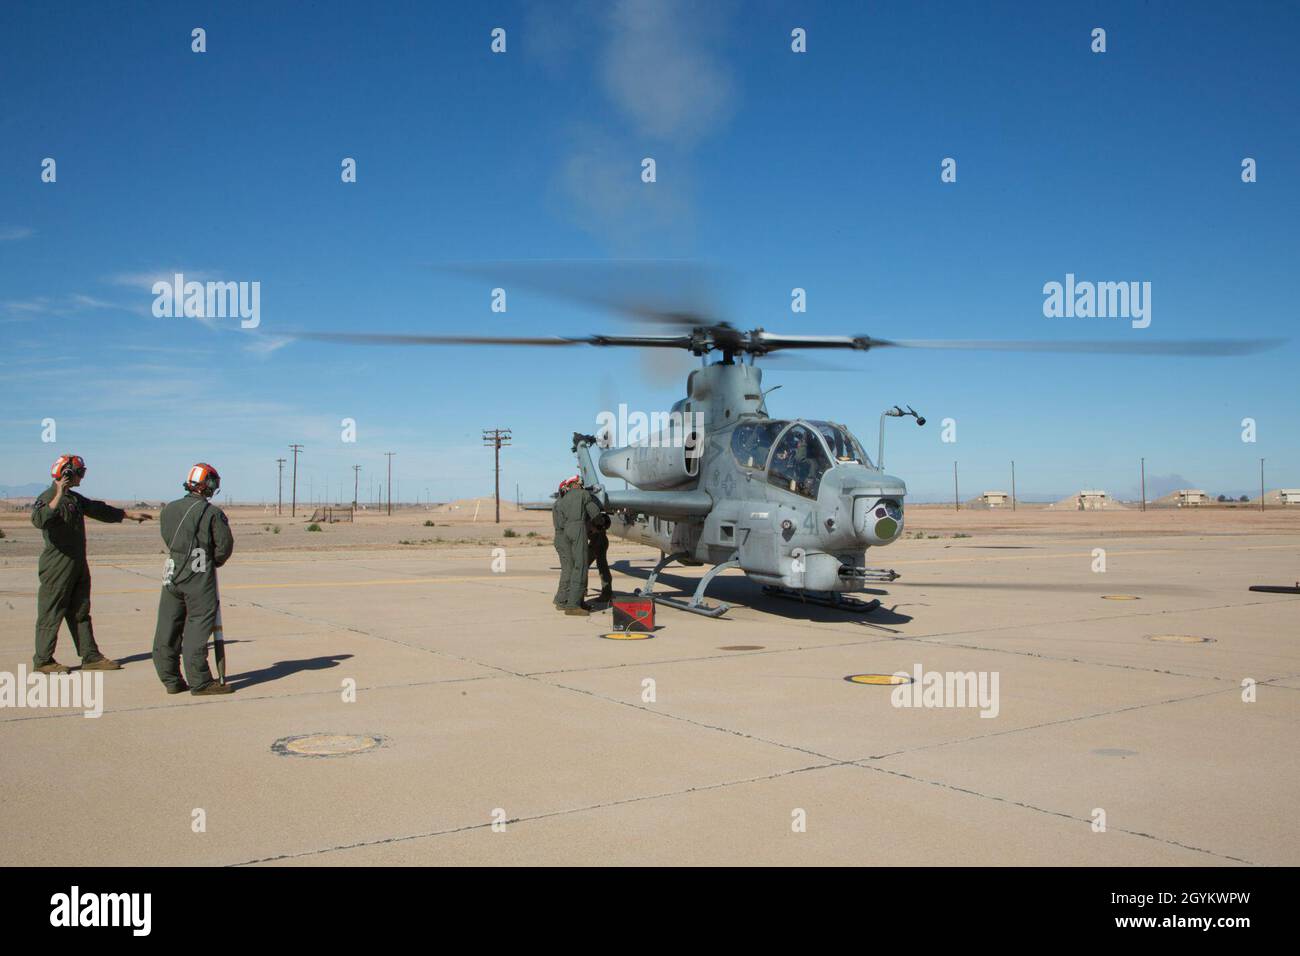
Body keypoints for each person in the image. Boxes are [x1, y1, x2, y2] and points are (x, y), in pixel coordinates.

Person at [30, 454, 152, 673]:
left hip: (77, 564)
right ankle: (43, 660)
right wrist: (58, 491)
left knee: (80, 611)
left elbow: (98, 509)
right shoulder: (48, 496)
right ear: (66, 473)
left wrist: (128, 514)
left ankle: (91, 656)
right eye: (80, 473)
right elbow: (40, 520)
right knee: (51, 611)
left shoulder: (74, 499)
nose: (82, 477)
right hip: (57, 566)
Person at [152, 463, 234, 696]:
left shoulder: (168, 510)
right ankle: (200, 681)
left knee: (168, 625)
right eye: (213, 484)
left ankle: (170, 678)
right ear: (206, 484)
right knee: (198, 624)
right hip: (198, 575)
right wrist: (213, 561)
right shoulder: (212, 513)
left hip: (171, 572)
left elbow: (168, 538)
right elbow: (224, 547)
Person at [556, 478, 603, 616]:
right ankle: (573, 605)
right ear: (577, 484)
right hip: (578, 528)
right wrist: (600, 523)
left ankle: (578, 601)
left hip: (566, 531)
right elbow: (594, 512)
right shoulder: (583, 494)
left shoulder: (563, 499)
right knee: (581, 566)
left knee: (573, 566)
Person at [552, 476, 577, 610]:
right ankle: (561, 600)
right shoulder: (561, 504)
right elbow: (564, 523)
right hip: (563, 538)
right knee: (568, 570)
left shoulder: (560, 503)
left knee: (569, 568)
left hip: (563, 538)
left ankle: (561, 597)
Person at [587, 511, 613, 602]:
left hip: (598, 542)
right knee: (602, 567)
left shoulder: (591, 510)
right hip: (598, 541)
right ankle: (607, 592)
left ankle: (606, 593)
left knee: (584, 566)